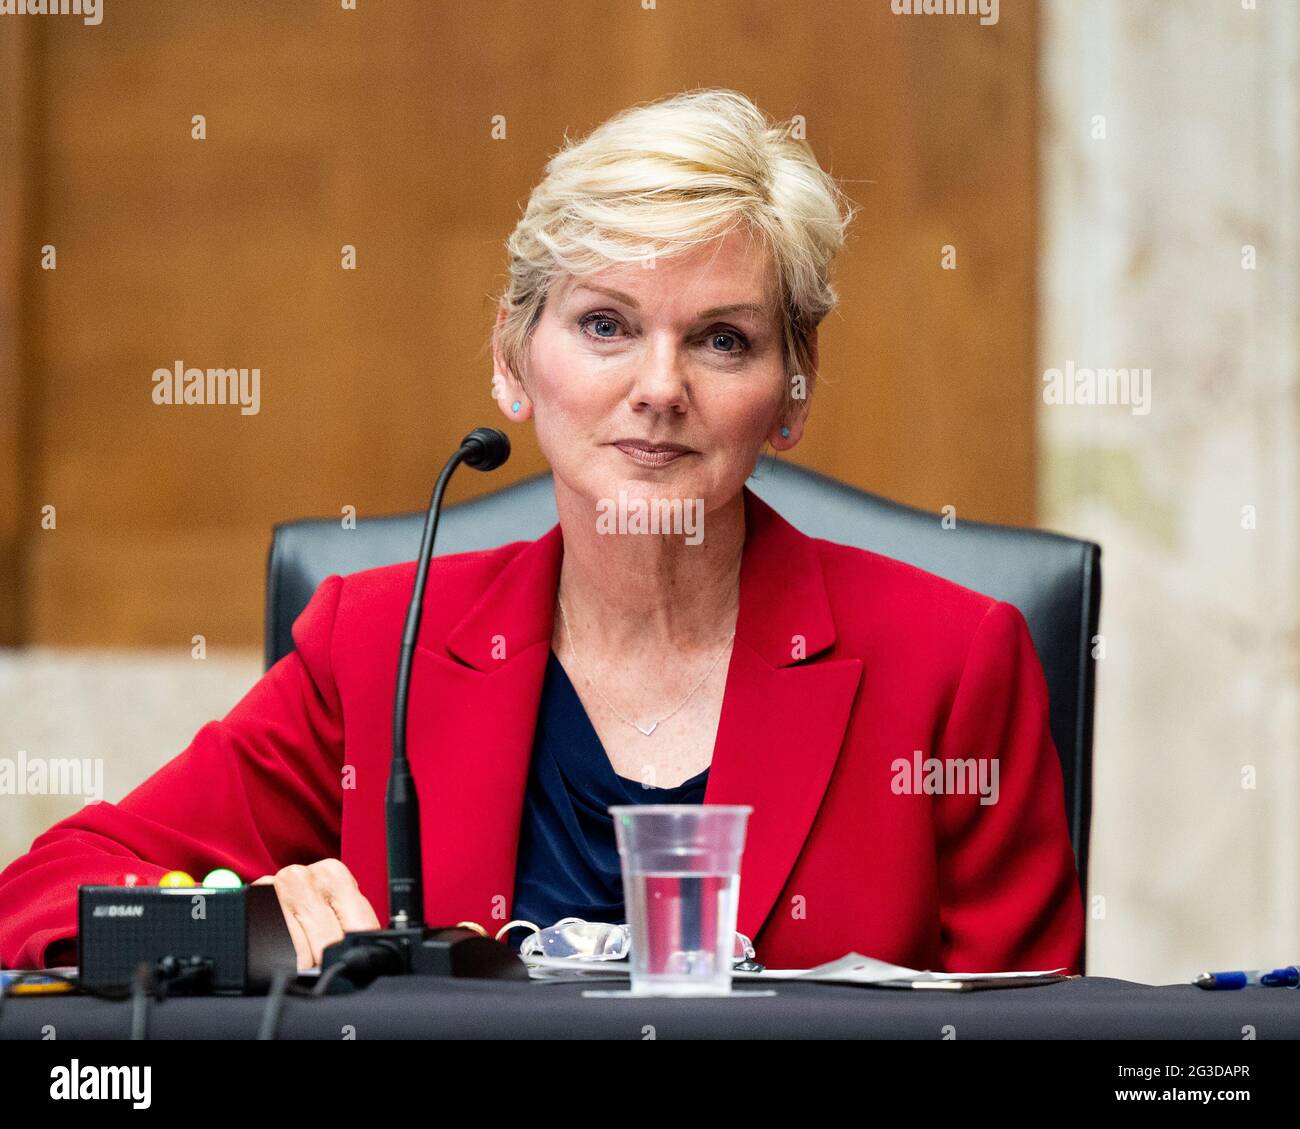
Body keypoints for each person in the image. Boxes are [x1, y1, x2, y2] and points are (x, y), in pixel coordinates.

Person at [0, 88, 1084, 975]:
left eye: (720, 338)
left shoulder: (950, 661)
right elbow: (41, 895)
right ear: (513, 363)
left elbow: (1034, 1035)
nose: (658, 389)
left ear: (791, 393)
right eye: (604, 324)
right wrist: (237, 932)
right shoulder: (375, 648)